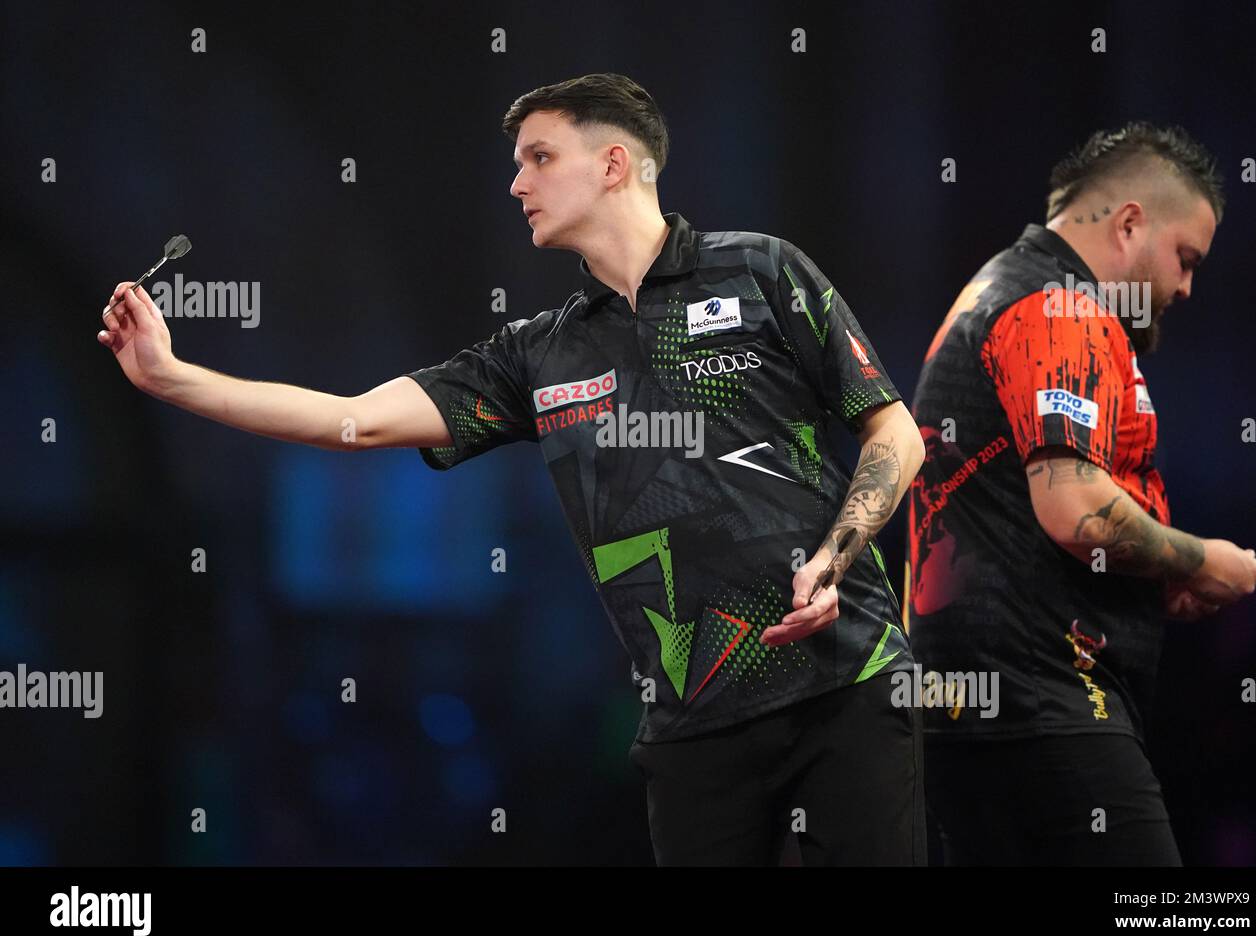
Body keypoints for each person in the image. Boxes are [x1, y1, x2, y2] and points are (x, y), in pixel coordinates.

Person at [98, 73, 926, 866]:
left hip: (847, 680)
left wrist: (836, 553)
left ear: (613, 164)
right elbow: (356, 420)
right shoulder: (538, 353)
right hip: (693, 722)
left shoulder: (762, 271)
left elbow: (895, 429)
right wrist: (173, 379)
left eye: (540, 157)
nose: (516, 183)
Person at [905, 122, 1256, 865]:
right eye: (1186, 259)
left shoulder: (1006, 290)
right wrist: (1201, 559)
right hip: (1042, 702)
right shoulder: (1059, 309)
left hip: (977, 707)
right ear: (1130, 223)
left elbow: (1023, 516)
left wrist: (1151, 581)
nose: (1187, 288)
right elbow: (1078, 513)